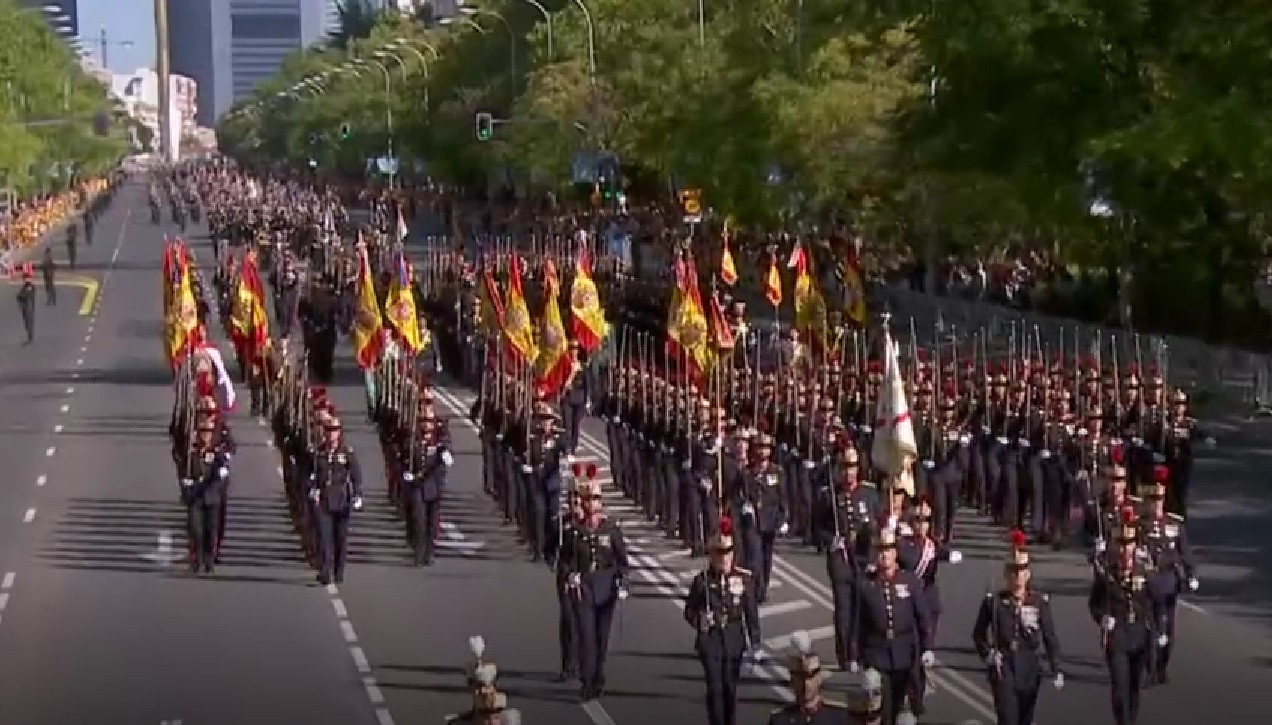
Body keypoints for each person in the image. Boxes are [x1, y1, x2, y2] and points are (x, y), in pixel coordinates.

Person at [970, 537, 1064, 725]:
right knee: (1007, 718)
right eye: (1013, 571)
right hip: (1004, 667)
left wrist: (1056, 668)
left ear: (1028, 574)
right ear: (1006, 574)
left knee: (1025, 719)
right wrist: (988, 654)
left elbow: (1050, 636)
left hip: (1030, 667)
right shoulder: (994, 602)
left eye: (1021, 570)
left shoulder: (1038, 602)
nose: (1018, 576)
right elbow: (978, 634)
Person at [848, 526, 933, 725]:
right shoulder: (865, 584)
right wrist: (854, 655)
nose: (884, 555)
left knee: (902, 707)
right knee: (883, 709)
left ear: (895, 553)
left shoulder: (910, 581)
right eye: (880, 550)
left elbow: (923, 617)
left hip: (904, 654)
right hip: (877, 654)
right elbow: (856, 622)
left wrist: (927, 647)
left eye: (888, 549)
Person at [684, 515, 762, 725]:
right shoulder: (702, 581)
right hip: (711, 640)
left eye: (727, 552)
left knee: (730, 687)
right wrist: (700, 619)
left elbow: (751, 611)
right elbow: (689, 610)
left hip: (733, 638)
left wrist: (755, 642)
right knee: (715, 689)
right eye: (719, 553)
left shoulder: (743, 578)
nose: (724, 557)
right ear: (712, 555)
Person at [559, 472, 629, 701]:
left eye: (596, 499)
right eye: (589, 499)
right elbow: (564, 560)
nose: (593, 504)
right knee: (586, 636)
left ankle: (598, 677)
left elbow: (622, 561)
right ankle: (587, 681)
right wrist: (570, 575)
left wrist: (622, 582)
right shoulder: (574, 531)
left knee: (601, 638)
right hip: (584, 589)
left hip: (606, 588)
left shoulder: (611, 529)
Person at [1088, 507, 1158, 725]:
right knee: (1120, 688)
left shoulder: (1145, 571)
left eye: (1129, 543)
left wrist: (1153, 639)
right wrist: (1102, 618)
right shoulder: (1106, 572)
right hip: (1117, 634)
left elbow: (1152, 605)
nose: (1125, 549)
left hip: (1138, 633)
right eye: (1121, 543)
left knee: (1134, 687)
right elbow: (1094, 604)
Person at [307, 418, 364, 585]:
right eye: (329, 430)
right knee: (324, 538)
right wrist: (312, 488)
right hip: (323, 500)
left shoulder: (347, 453)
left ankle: (338, 571)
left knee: (340, 538)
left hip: (341, 500)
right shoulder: (318, 452)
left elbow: (356, 475)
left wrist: (358, 495)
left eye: (334, 430)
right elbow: (310, 474)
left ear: (339, 433)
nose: (331, 434)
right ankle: (325, 572)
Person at [179, 419, 232, 574]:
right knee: (196, 530)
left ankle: (209, 560)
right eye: (202, 432)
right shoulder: (191, 454)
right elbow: (184, 470)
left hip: (211, 498)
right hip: (195, 499)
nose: (205, 436)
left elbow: (221, 474)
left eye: (208, 433)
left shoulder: (217, 454)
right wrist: (187, 485)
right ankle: (197, 560)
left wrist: (215, 483)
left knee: (210, 531)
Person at [766, 629, 847, 724]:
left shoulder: (840, 717)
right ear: (792, 680)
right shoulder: (779, 720)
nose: (806, 683)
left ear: (820, 677)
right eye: (800, 677)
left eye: (810, 676)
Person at [16, 264, 36, 344]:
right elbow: (19, 295)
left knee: (29, 322)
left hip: (29, 306)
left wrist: (20, 296)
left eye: (26, 278)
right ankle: (29, 336)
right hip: (25, 306)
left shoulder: (30, 286)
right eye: (24, 279)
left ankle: (30, 338)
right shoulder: (25, 286)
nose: (25, 280)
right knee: (26, 323)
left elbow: (24, 295)